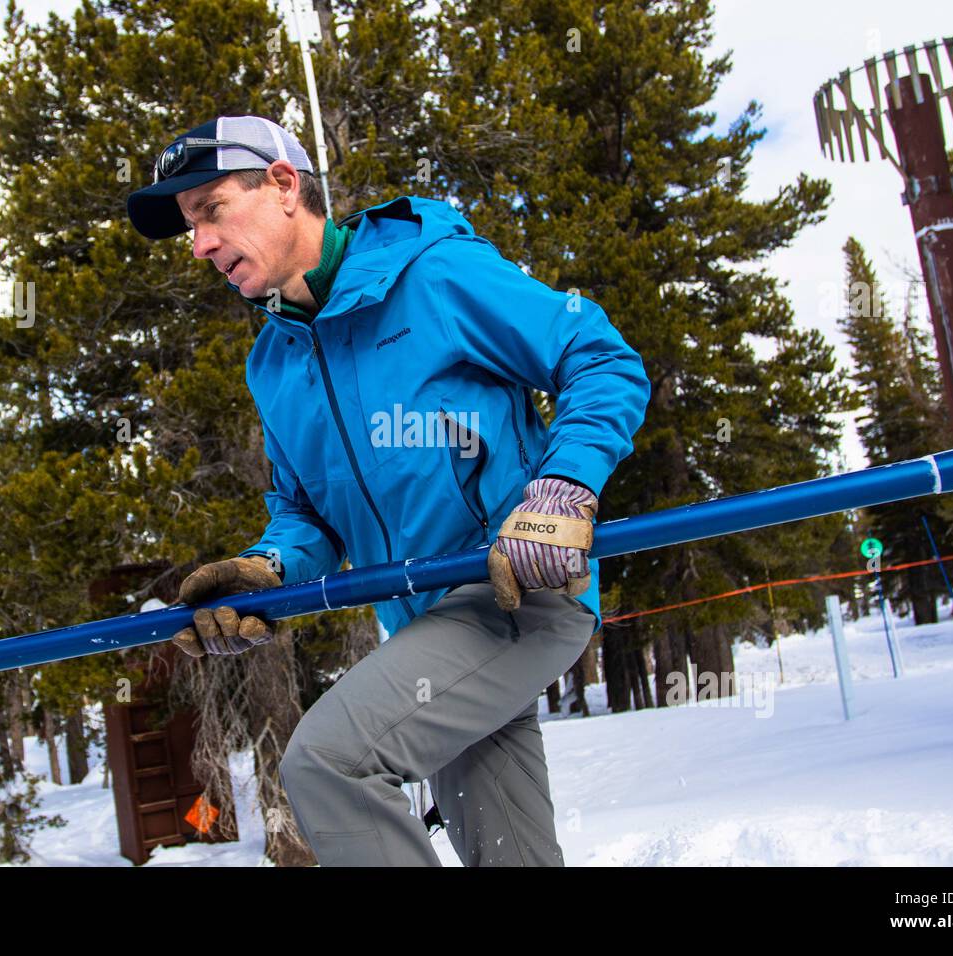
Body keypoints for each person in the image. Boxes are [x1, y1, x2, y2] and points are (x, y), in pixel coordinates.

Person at [126, 115, 650, 866]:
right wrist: (270, 569)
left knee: (329, 763)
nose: (201, 244)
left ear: (281, 185)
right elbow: (305, 514)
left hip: (514, 590)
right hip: (422, 626)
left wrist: (561, 492)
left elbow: (600, 359)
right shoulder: (274, 361)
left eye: (211, 210)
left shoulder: (434, 276)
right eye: (189, 226)